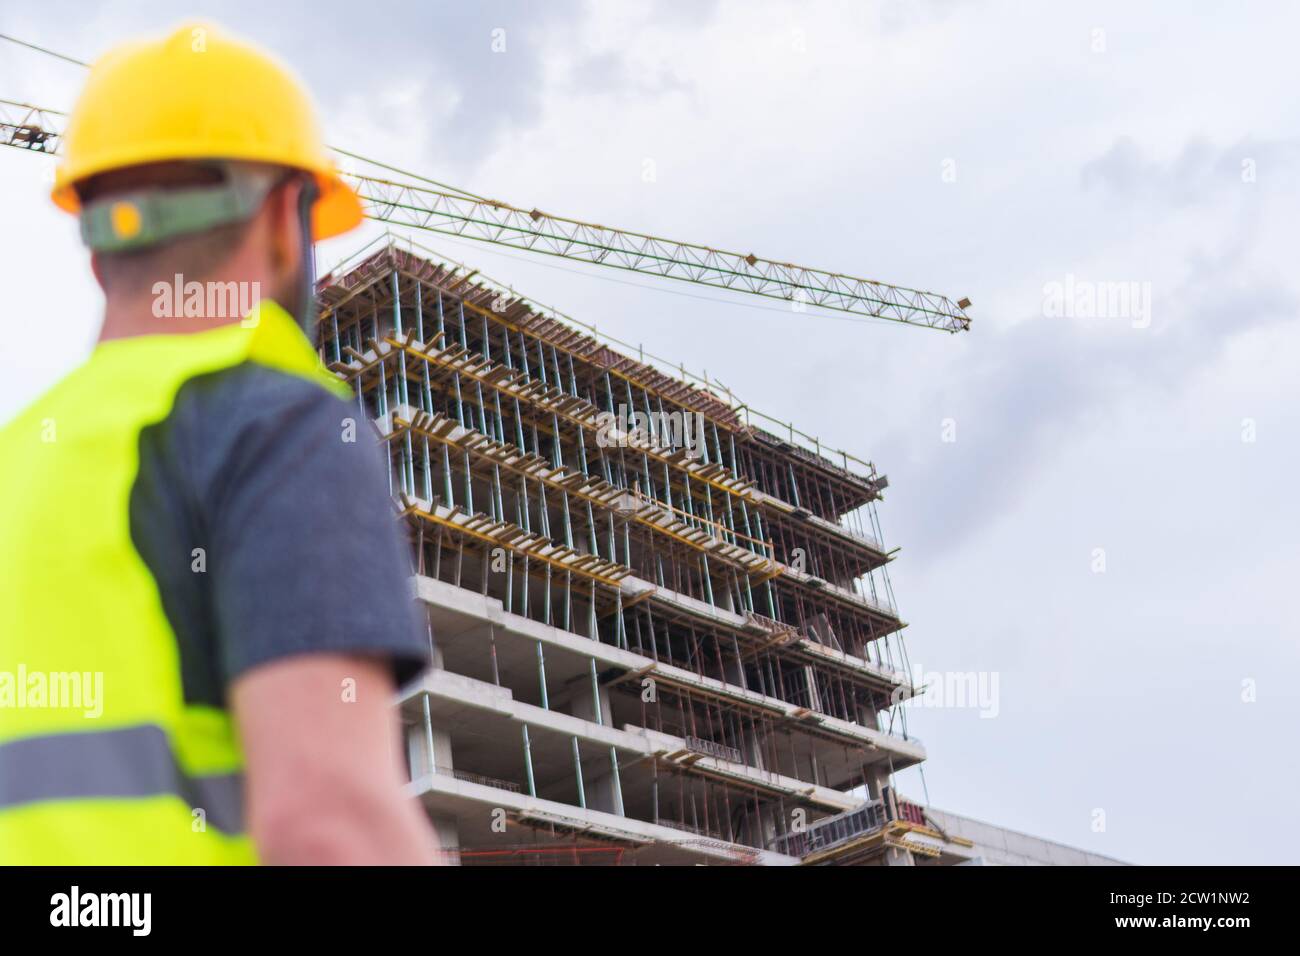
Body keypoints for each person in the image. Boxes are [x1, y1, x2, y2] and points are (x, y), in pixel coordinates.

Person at [0, 22, 436, 864]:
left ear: (96, 246)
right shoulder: (270, 423)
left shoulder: (19, 461)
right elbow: (331, 825)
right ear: (284, 218)